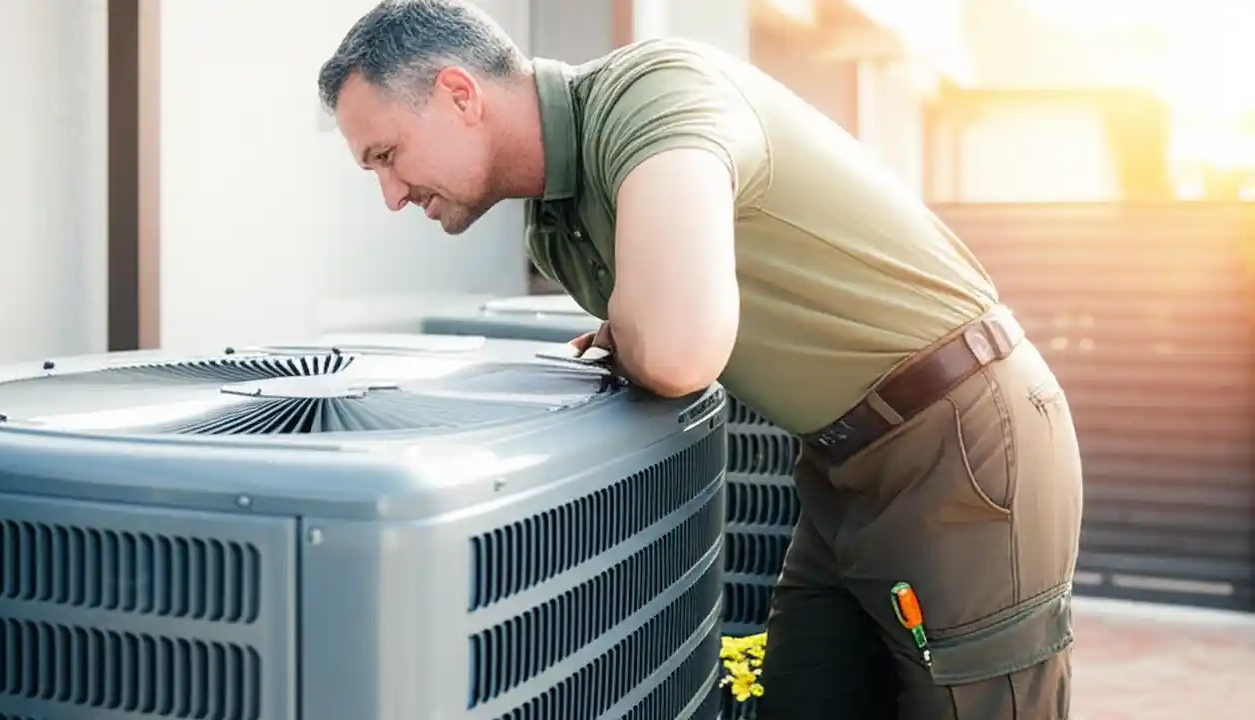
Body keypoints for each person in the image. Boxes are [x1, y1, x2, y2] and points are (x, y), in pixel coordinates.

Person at [317, 1, 1084, 717]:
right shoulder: (553, 228)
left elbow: (679, 349)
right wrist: (634, 324)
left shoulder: (653, 93)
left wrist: (635, 326)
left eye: (388, 155)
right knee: (803, 697)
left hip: (963, 441)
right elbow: (650, 334)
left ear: (459, 94)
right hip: (841, 469)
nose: (390, 194)